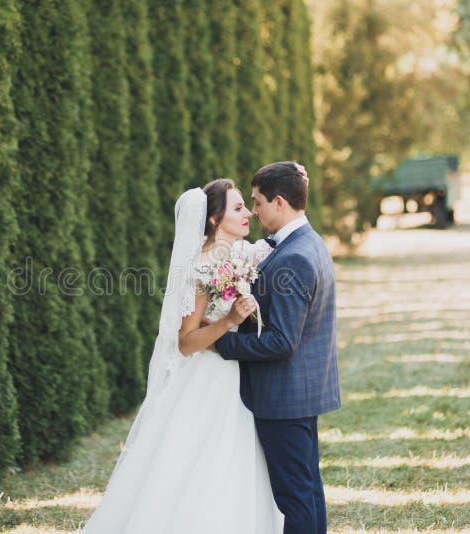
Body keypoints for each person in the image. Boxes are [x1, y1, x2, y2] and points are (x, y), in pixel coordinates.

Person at [82, 178, 283, 534]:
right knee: (204, 459)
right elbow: (186, 342)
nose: (247, 213)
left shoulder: (240, 254)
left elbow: (271, 248)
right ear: (213, 220)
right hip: (210, 377)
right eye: (237, 208)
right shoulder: (203, 267)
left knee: (237, 460)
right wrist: (230, 321)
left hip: (239, 372)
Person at [214, 161, 341, 534]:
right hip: (299, 393)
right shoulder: (308, 243)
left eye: (257, 202)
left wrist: (222, 341)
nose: (254, 211)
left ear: (279, 202)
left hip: (284, 397)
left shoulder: (295, 258)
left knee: (295, 500)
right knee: (307, 493)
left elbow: (281, 341)